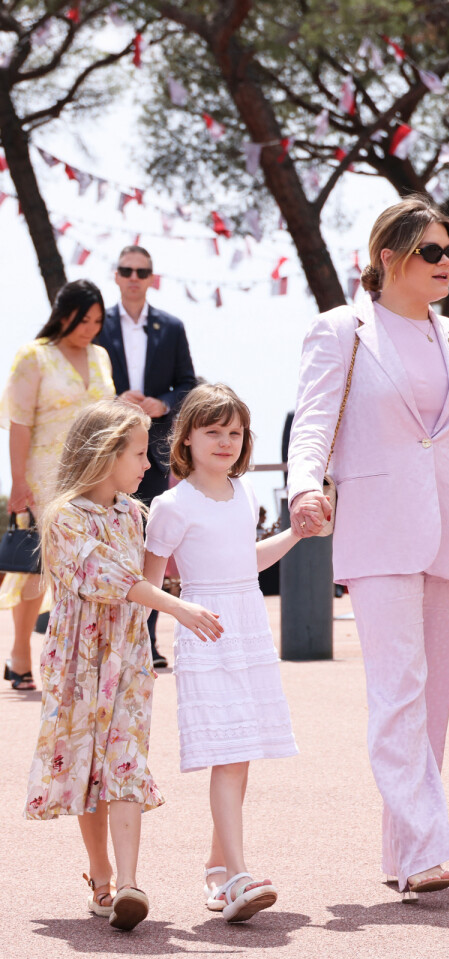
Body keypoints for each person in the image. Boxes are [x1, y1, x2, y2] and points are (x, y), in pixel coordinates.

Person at [288, 197, 449, 900]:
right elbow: (312, 420)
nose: (448, 265)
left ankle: (404, 850)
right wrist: (302, 486)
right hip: (378, 530)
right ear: (389, 258)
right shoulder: (342, 330)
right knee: (397, 690)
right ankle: (430, 842)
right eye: (432, 252)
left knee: (433, 701)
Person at [25, 400, 222, 931]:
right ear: (105, 454)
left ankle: (130, 883)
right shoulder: (63, 516)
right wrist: (176, 606)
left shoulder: (136, 515)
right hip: (79, 667)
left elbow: (175, 557)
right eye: (138, 453)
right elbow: (105, 576)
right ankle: (101, 875)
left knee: (125, 763)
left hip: (129, 661)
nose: (147, 465)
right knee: (89, 769)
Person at [143, 384, 299, 922]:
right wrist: (182, 613)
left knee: (242, 754)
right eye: (213, 431)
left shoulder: (245, 492)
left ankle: (217, 870)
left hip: (249, 627)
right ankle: (236, 876)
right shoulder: (170, 505)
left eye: (234, 432)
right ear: (186, 436)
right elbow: (149, 583)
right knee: (229, 758)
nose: (226, 441)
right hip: (205, 635)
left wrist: (295, 535)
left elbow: (245, 561)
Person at [1, 280, 115, 692]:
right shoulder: (34, 356)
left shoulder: (101, 356)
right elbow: (18, 423)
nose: (90, 328)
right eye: (83, 319)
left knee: (89, 567)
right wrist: (17, 482)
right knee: (36, 568)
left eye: (98, 320)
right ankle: (19, 655)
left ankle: (79, 660)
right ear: (62, 313)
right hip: (43, 476)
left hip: (95, 475)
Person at [95, 245, 198, 669]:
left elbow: (188, 384)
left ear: (152, 277)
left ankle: (147, 642)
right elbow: (86, 382)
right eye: (126, 270)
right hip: (105, 451)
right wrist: (114, 399)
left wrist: (162, 403)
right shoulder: (97, 326)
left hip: (151, 454)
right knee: (106, 543)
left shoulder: (171, 327)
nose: (134, 277)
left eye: (142, 271)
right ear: (116, 276)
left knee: (148, 545)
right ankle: (104, 642)